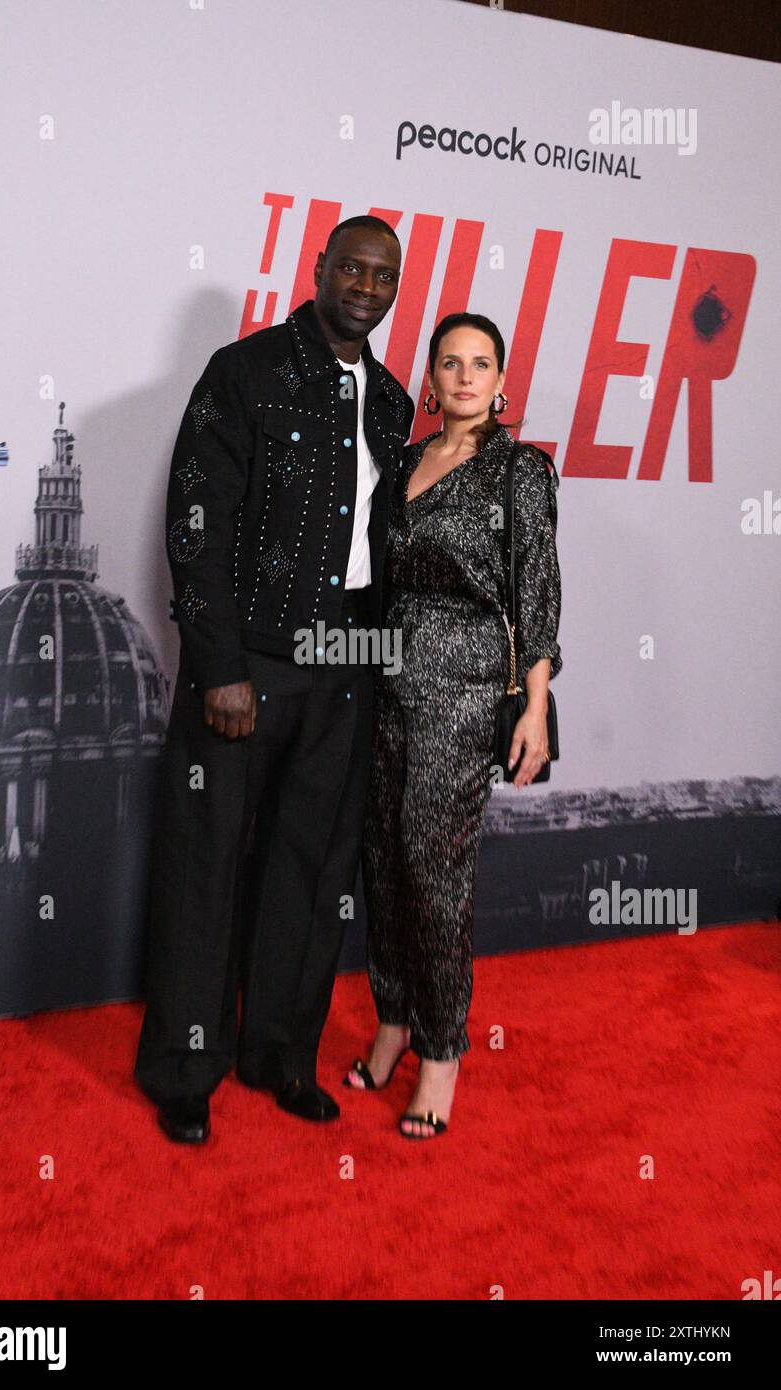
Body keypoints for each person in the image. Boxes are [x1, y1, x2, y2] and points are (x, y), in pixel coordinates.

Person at [135, 216, 414, 1142]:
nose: (366, 287)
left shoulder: (391, 400)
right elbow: (196, 527)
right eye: (353, 269)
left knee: (311, 869)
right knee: (207, 864)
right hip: (246, 665)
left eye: (384, 276)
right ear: (322, 269)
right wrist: (217, 666)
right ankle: (186, 1069)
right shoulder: (244, 372)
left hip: (348, 671)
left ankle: (281, 1057)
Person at [344, 313, 562, 1138]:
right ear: (429, 381)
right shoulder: (400, 463)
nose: (465, 377)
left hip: (465, 694)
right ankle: (393, 1020)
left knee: (436, 877)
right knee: (382, 860)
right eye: (450, 363)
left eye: (481, 364)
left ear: (501, 381)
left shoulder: (520, 472)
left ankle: (442, 1053)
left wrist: (534, 707)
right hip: (385, 683)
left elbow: (536, 594)